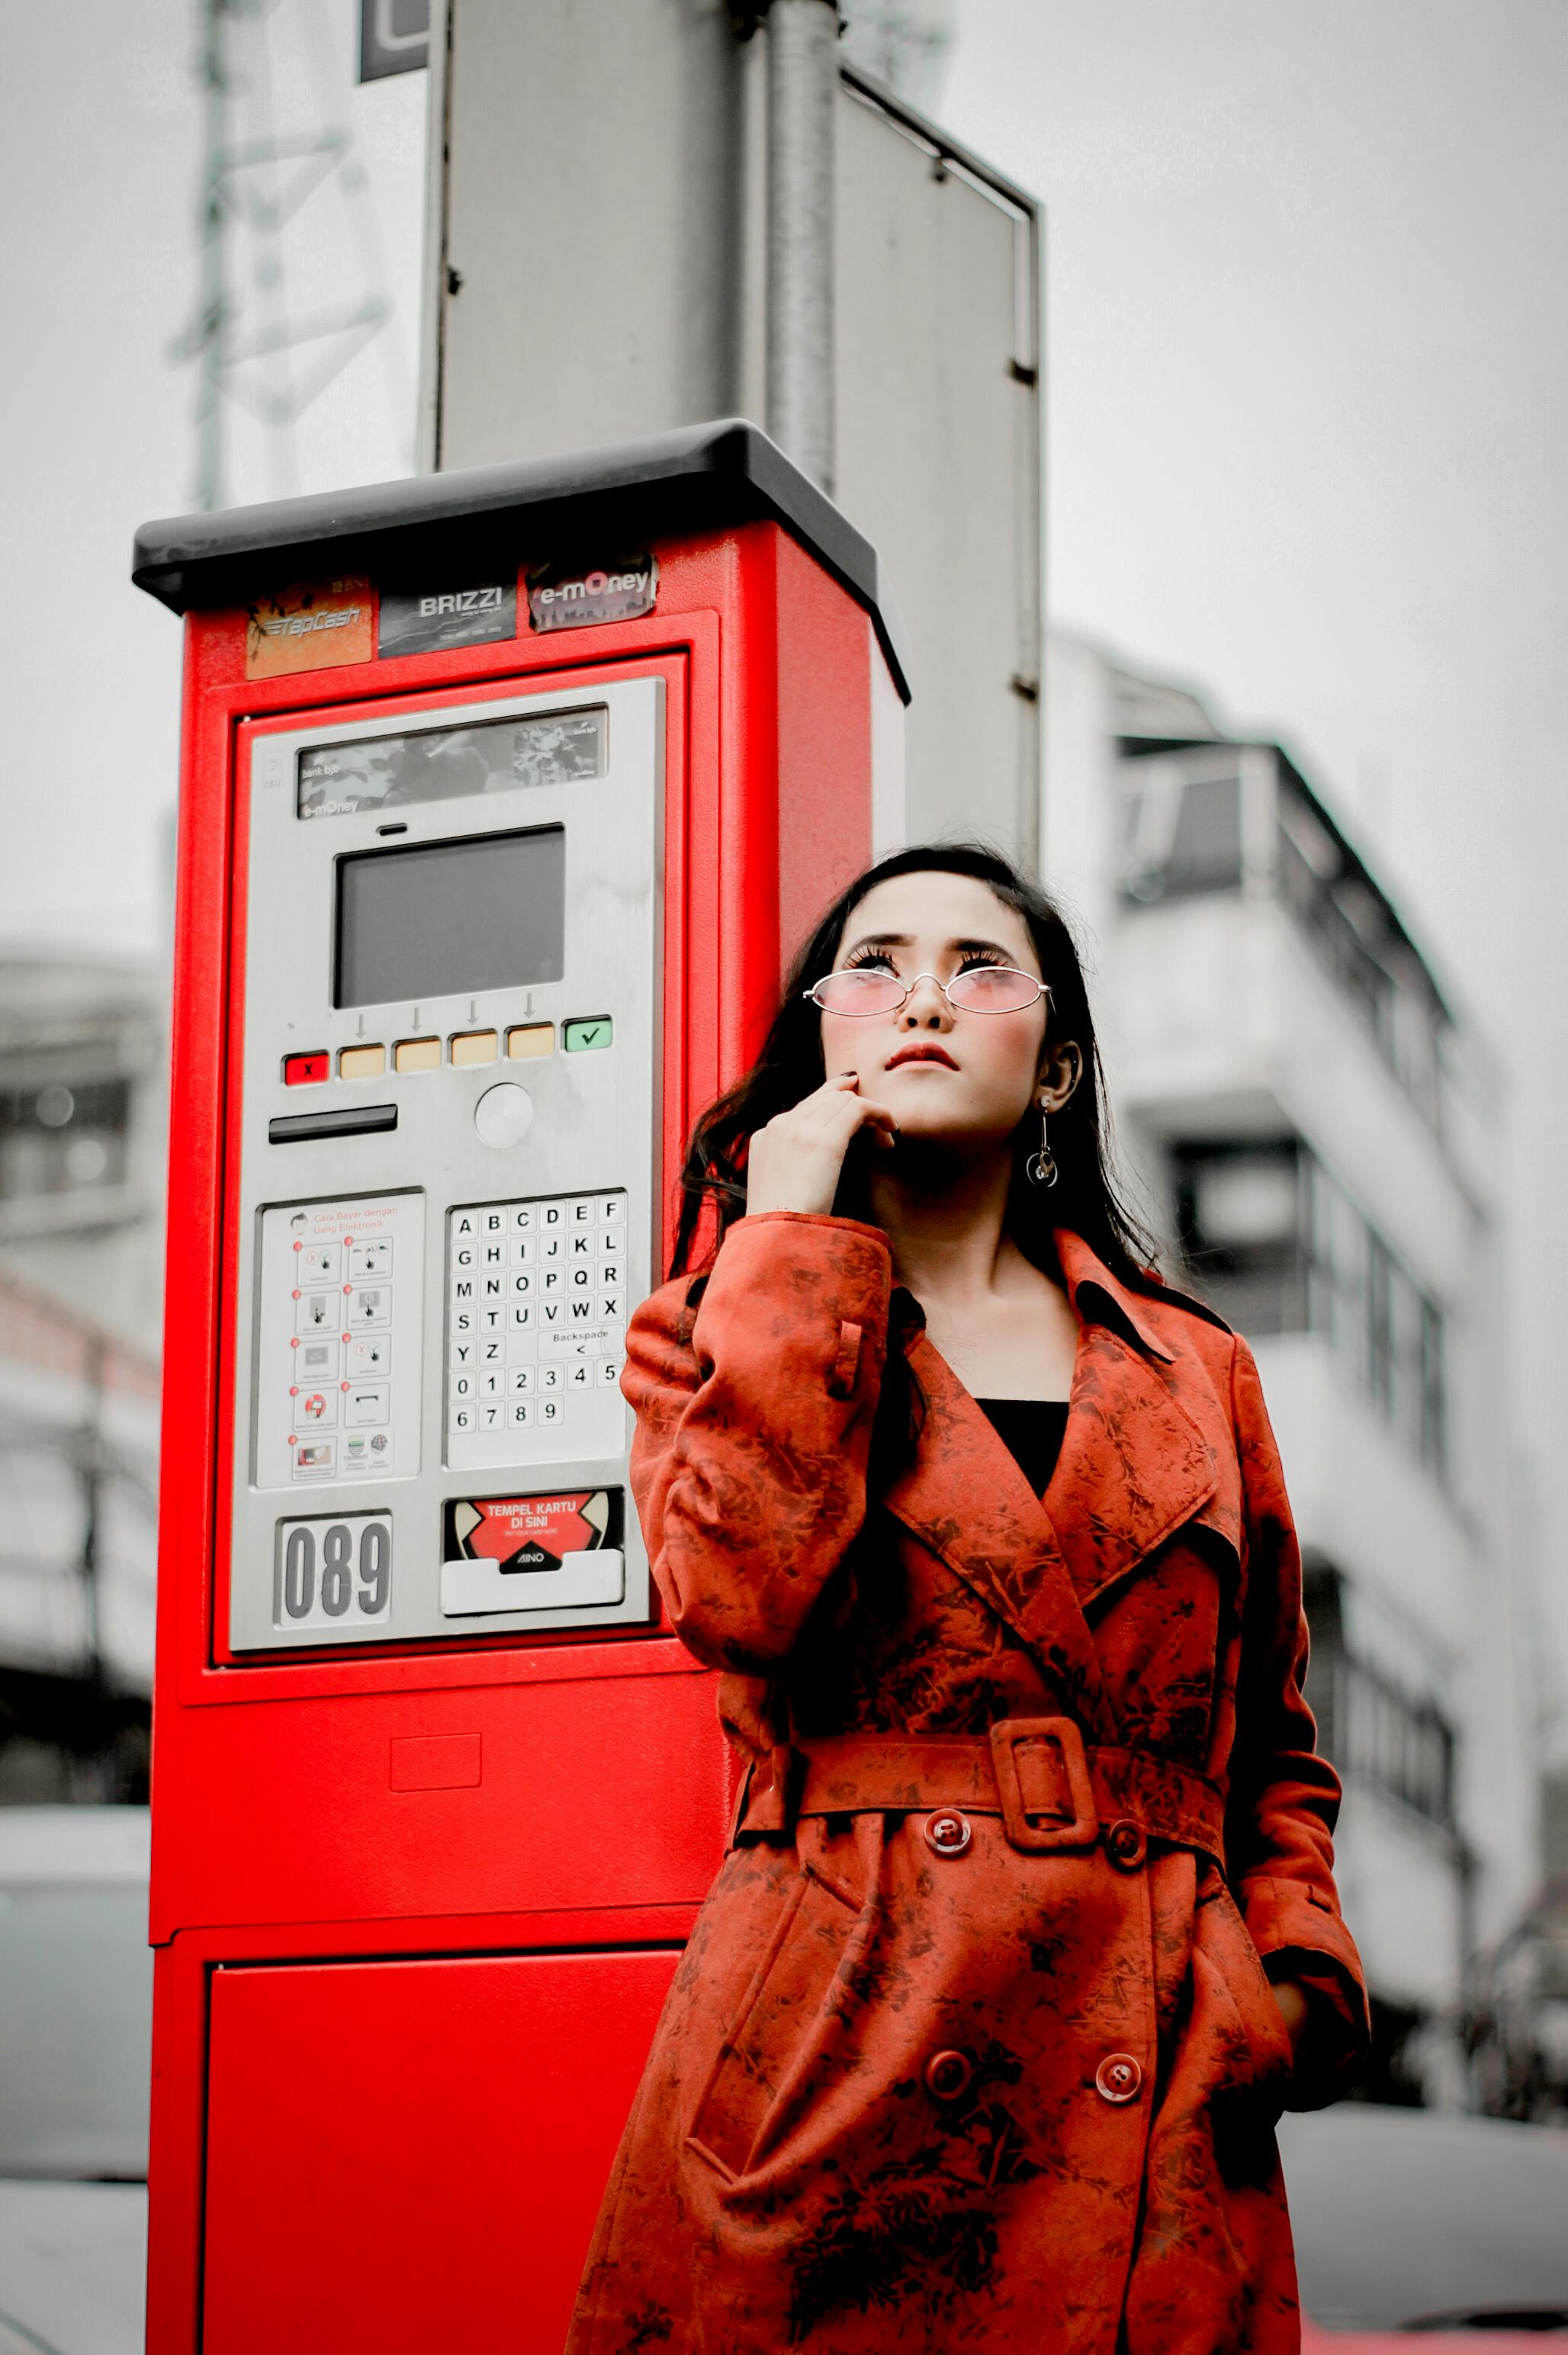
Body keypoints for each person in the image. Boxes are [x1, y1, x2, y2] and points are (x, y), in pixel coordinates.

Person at [567, 843, 1368, 2355]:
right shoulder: (709, 1322)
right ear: (821, 1037)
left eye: (976, 965)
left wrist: (1287, 1968)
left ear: (1054, 1062)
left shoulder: (1198, 1371)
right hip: (835, 2039)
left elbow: (1270, 1738)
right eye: (873, 963)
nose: (921, 993)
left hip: (1152, 2058)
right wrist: (792, 1240)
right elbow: (737, 1597)